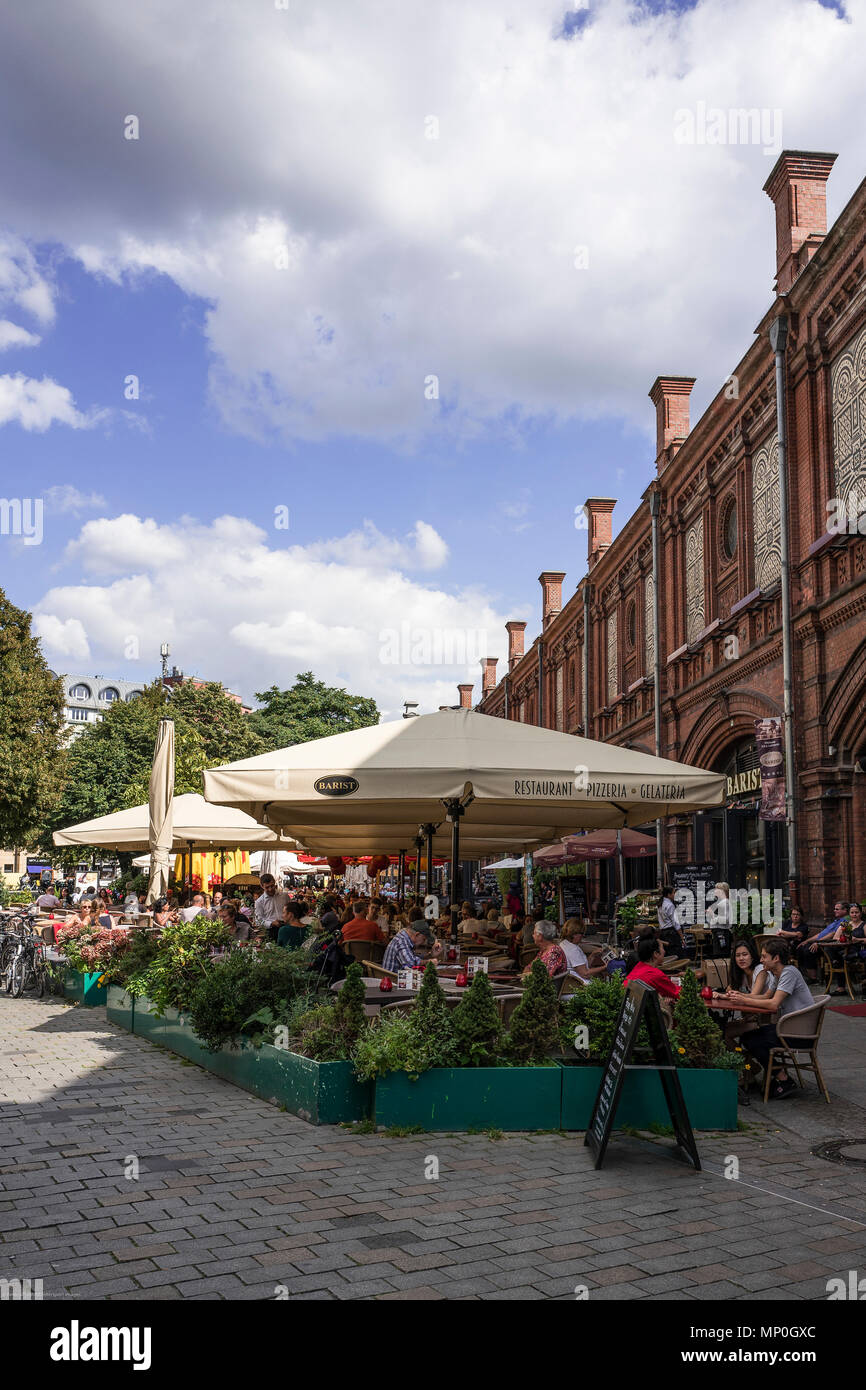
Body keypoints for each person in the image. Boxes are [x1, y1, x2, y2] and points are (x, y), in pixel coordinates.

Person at [725, 941, 816, 1099]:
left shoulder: (789, 973)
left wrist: (744, 1001)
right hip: (790, 1028)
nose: (760, 960)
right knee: (749, 1037)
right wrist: (738, 996)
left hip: (800, 1034)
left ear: (776, 958)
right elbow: (765, 996)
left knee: (754, 1040)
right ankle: (776, 1074)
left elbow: (773, 1004)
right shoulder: (778, 973)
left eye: (764, 956)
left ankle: (783, 1078)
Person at [723, 939, 770, 1046]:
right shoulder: (742, 974)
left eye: (745, 954)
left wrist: (733, 994)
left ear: (752, 956)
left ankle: (744, 1061)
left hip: (765, 1021)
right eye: (738, 955)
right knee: (721, 1028)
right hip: (751, 1018)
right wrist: (722, 994)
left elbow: (753, 996)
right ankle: (742, 1059)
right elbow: (729, 990)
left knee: (724, 1033)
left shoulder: (760, 970)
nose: (741, 958)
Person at [796, 901, 848, 978]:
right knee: (800, 947)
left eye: (837, 909)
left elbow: (832, 935)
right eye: (834, 909)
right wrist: (806, 941)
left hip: (826, 944)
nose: (834, 911)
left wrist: (818, 942)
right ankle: (804, 975)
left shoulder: (844, 922)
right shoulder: (835, 921)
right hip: (819, 941)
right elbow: (820, 934)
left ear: (845, 910)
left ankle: (813, 977)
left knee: (808, 950)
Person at [657, 885, 685, 957]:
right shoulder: (670, 905)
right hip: (671, 934)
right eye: (674, 893)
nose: (675, 894)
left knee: (667, 956)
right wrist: (682, 937)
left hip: (663, 933)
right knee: (675, 955)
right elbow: (675, 923)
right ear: (669, 895)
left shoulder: (660, 904)